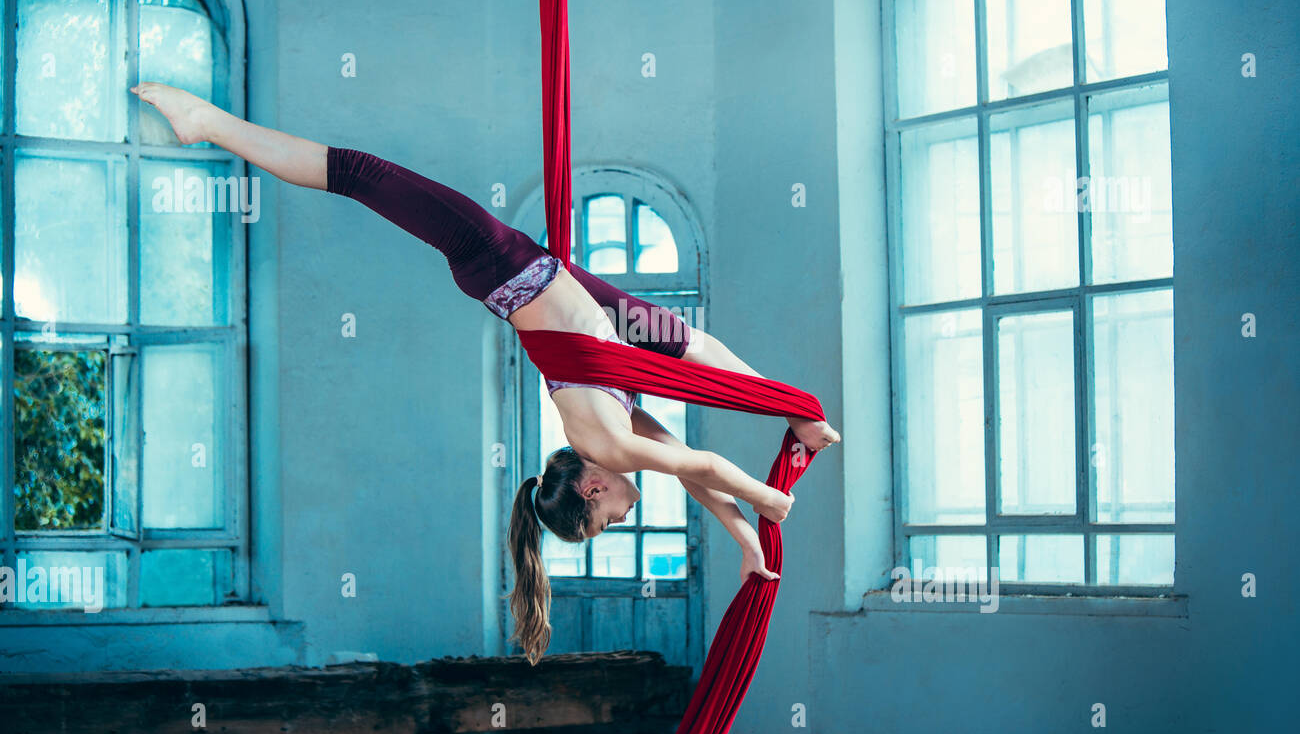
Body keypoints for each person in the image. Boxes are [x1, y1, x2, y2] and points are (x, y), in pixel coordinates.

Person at [130, 82, 841, 664]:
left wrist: (769, 503)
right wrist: (746, 538)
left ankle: (209, 124)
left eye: (606, 523)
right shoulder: (616, 439)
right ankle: (792, 409)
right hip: (577, 298)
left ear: (591, 490)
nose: (624, 518)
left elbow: (711, 463)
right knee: (688, 347)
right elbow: (693, 469)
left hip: (504, 263)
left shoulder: (612, 443)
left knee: (357, 174)